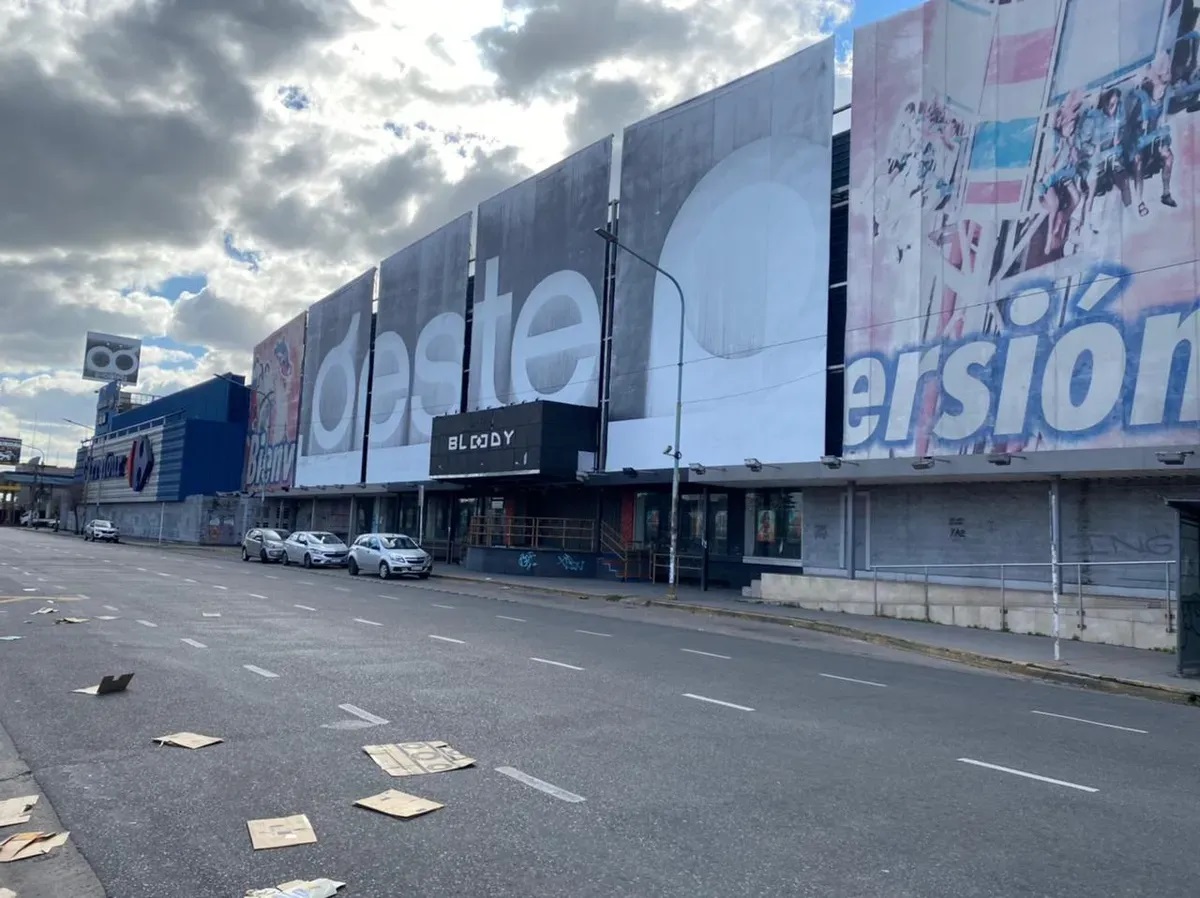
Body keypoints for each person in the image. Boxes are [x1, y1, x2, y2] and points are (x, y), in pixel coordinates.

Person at [1130, 52, 1178, 216]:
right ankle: (1139, 201)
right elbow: (1134, 129)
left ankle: (1166, 192)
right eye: (1159, 89)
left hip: (1155, 138)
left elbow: (1163, 124)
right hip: (1140, 141)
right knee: (1138, 163)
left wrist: (1163, 137)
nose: (1161, 93)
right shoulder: (1142, 99)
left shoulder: (1165, 98)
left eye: (1163, 89)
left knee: (1168, 156)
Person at [1038, 90, 1085, 254]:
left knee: (1077, 197)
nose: (1071, 130)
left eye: (1072, 127)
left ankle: (1064, 221)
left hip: (1063, 176)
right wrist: (1059, 153)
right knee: (1055, 203)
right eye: (1069, 126)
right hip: (1049, 180)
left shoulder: (1069, 140)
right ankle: (1049, 237)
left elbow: (1071, 163)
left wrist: (1075, 156)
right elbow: (1049, 167)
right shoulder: (1055, 138)